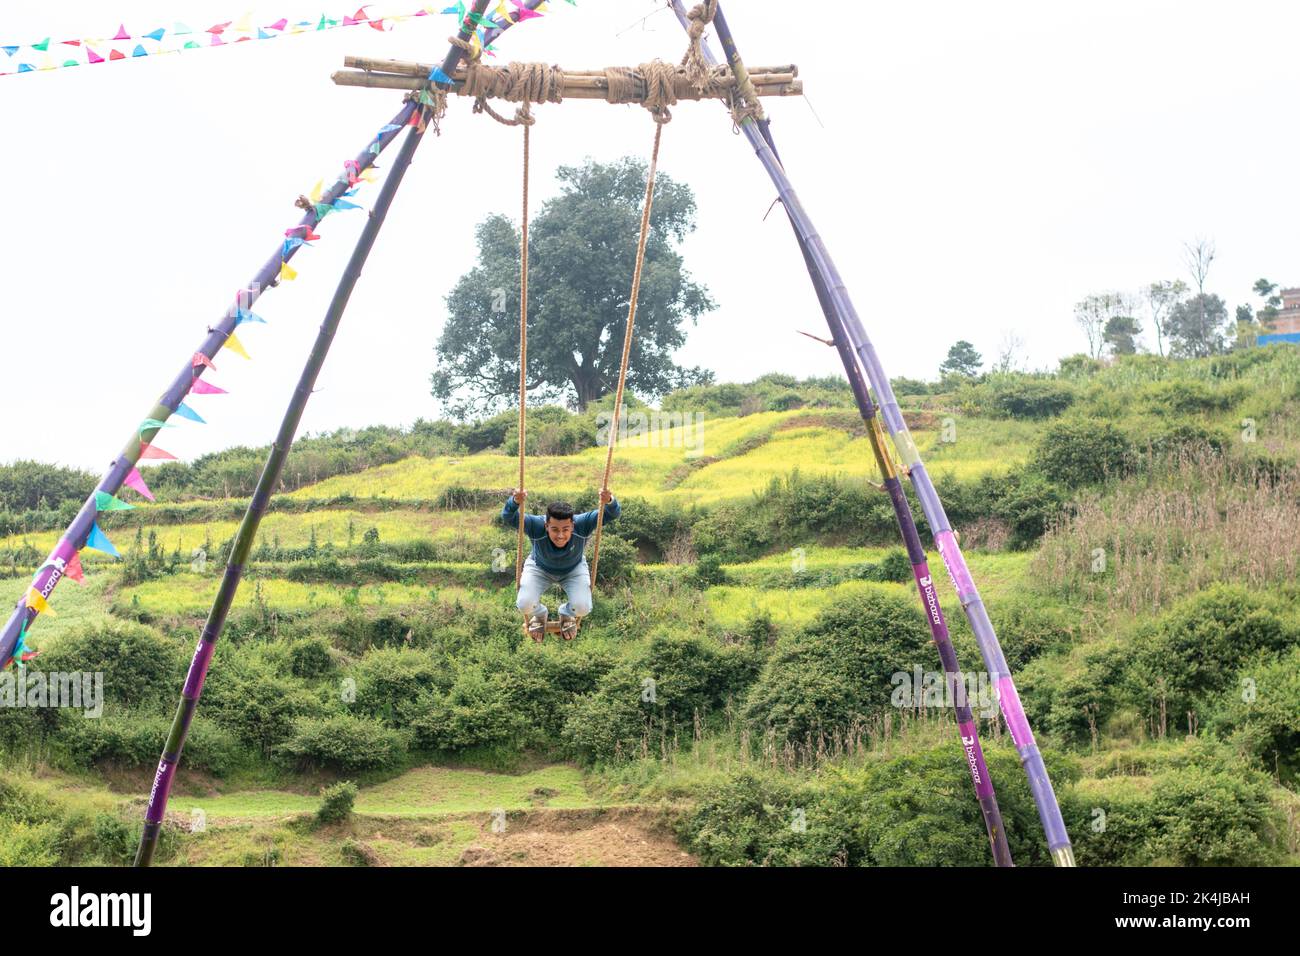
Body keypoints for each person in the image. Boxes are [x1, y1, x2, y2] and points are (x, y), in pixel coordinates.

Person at [500, 488, 620, 642]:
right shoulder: (535, 525)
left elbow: (612, 513)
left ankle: (566, 612)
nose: (560, 535)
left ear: (573, 526)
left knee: (583, 608)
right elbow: (508, 516)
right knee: (524, 604)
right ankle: (540, 614)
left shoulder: (583, 523)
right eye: (554, 529)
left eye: (566, 529)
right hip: (539, 568)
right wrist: (515, 501)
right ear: (546, 526)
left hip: (573, 569)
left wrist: (609, 500)